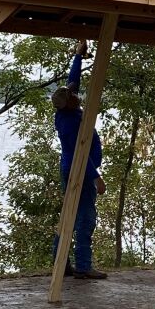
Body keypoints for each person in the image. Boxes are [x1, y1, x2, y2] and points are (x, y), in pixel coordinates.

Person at [51, 43, 106, 279]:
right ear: (68, 103)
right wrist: (96, 178)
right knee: (85, 217)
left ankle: (60, 263)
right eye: (72, 95)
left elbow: (74, 80)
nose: (76, 94)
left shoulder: (69, 109)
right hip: (79, 171)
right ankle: (83, 265)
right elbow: (78, 154)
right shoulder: (70, 123)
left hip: (74, 168)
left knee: (69, 214)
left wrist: (78, 56)